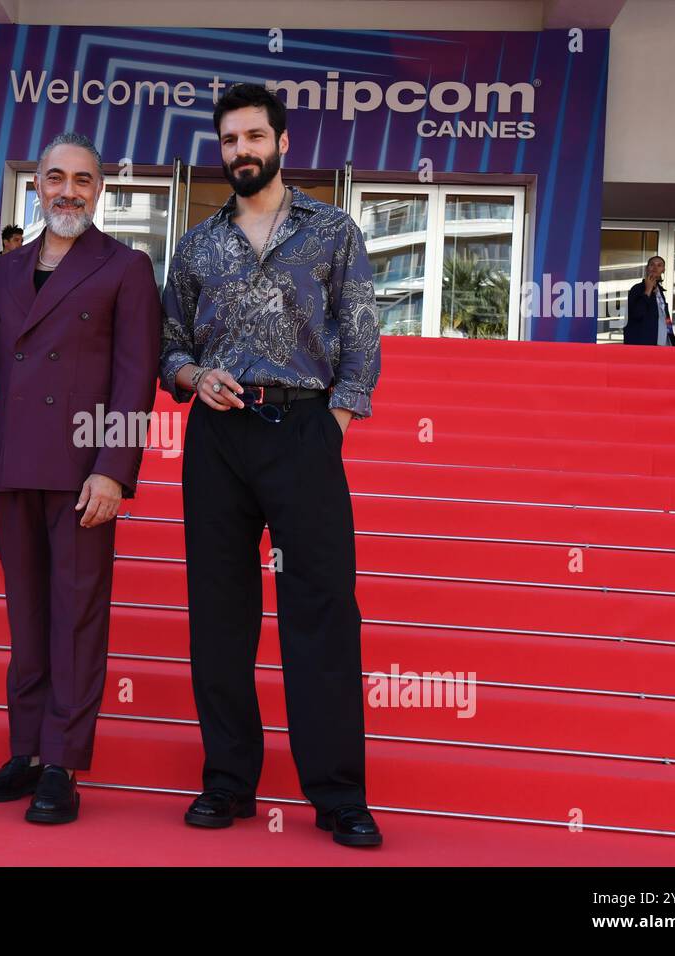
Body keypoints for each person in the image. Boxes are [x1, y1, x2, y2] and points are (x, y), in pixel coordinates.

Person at [159, 83, 383, 847]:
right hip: (218, 438)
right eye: (228, 141)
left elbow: (361, 334)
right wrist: (191, 377)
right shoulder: (195, 245)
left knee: (321, 612)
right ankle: (227, 781)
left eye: (254, 137)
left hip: (304, 430)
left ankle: (338, 794)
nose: (241, 152)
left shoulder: (333, 230)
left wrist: (335, 424)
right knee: (219, 613)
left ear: (283, 143)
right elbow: (170, 344)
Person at [0, 132, 161, 825]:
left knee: (76, 616)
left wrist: (114, 472)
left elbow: (135, 378)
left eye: (84, 180)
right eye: (56, 178)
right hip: (12, 466)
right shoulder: (0, 271)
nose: (69, 190)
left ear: (101, 191)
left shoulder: (126, 267)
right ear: (36, 186)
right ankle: (27, 753)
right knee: (27, 616)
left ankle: (62, 764)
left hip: (81, 472)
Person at [624, 256, 675, 346]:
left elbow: (666, 318)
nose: (655, 268)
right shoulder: (637, 289)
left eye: (659, 265)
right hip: (644, 346)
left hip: (663, 344)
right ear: (647, 268)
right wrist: (648, 290)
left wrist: (673, 342)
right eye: (652, 265)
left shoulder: (660, 291)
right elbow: (637, 313)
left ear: (663, 270)